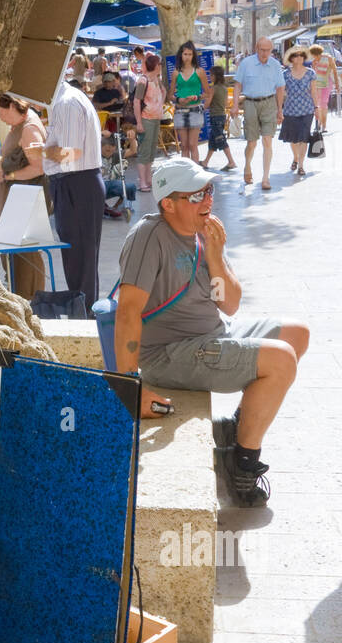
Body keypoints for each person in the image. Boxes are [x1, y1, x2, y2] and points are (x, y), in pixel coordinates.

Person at [114, 157, 309, 506]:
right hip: (171, 352)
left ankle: (236, 430)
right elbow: (127, 312)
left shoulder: (204, 233)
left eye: (209, 190)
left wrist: (217, 256)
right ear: (168, 204)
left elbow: (230, 305)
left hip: (215, 332)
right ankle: (244, 466)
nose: (208, 201)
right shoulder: (149, 235)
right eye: (196, 195)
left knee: (297, 334)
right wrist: (131, 389)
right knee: (280, 360)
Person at [34, 77, 104, 309]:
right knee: (78, 261)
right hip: (74, 184)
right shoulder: (65, 101)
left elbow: (70, 155)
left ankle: (84, 315)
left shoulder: (66, 103)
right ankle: (83, 311)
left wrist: (43, 152)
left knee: (80, 262)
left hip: (76, 184)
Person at [0, 93, 49, 298]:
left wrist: (7, 174)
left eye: (1, 112)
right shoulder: (19, 125)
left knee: (26, 259)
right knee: (15, 259)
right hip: (16, 202)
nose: (0, 117)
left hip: (25, 203)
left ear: (14, 106)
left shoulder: (30, 129)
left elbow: (39, 168)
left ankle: (32, 300)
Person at [231, 37, 285, 191]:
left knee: (267, 141)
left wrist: (280, 110)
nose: (265, 53)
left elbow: (280, 88)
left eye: (268, 50)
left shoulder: (275, 65)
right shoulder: (246, 63)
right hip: (250, 103)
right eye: (262, 50)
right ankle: (247, 166)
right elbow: (237, 85)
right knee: (251, 142)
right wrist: (235, 105)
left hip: (269, 103)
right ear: (256, 48)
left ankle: (265, 178)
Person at [281, 46, 318, 178]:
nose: (300, 57)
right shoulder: (285, 74)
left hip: (307, 110)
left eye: (302, 55)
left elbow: (314, 91)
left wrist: (316, 107)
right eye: (296, 55)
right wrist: (278, 109)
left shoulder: (310, 73)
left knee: (304, 138)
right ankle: (295, 157)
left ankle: (301, 165)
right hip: (290, 110)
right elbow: (281, 92)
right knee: (294, 139)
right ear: (291, 58)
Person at [168, 41, 209, 161]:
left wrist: (197, 97)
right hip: (180, 110)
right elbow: (170, 95)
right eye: (185, 54)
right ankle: (186, 175)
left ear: (193, 55)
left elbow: (207, 92)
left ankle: (195, 176)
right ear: (181, 55)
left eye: (190, 54)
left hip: (195, 109)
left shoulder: (199, 71)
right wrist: (178, 99)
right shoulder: (176, 72)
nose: (187, 57)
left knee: (193, 145)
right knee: (184, 145)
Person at [132, 51, 165, 191]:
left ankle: (148, 179)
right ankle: (142, 182)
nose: (161, 66)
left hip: (155, 118)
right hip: (146, 119)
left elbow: (162, 93)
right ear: (156, 66)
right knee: (144, 151)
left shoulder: (157, 80)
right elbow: (136, 101)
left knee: (151, 151)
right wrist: (139, 122)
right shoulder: (143, 80)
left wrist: (159, 105)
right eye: (159, 64)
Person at [202, 65, 235, 172]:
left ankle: (231, 161)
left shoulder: (213, 89)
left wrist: (201, 108)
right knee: (213, 140)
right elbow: (225, 103)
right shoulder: (224, 89)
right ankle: (205, 162)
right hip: (221, 115)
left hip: (215, 116)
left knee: (220, 139)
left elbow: (207, 103)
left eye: (211, 75)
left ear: (216, 76)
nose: (210, 77)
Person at [308, 44, 340, 130]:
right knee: (317, 105)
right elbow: (313, 73)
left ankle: (323, 125)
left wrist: (337, 84)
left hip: (326, 84)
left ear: (318, 53)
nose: (314, 57)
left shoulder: (329, 58)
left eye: (314, 55)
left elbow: (335, 71)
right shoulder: (313, 61)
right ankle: (318, 123)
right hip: (316, 84)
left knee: (323, 104)